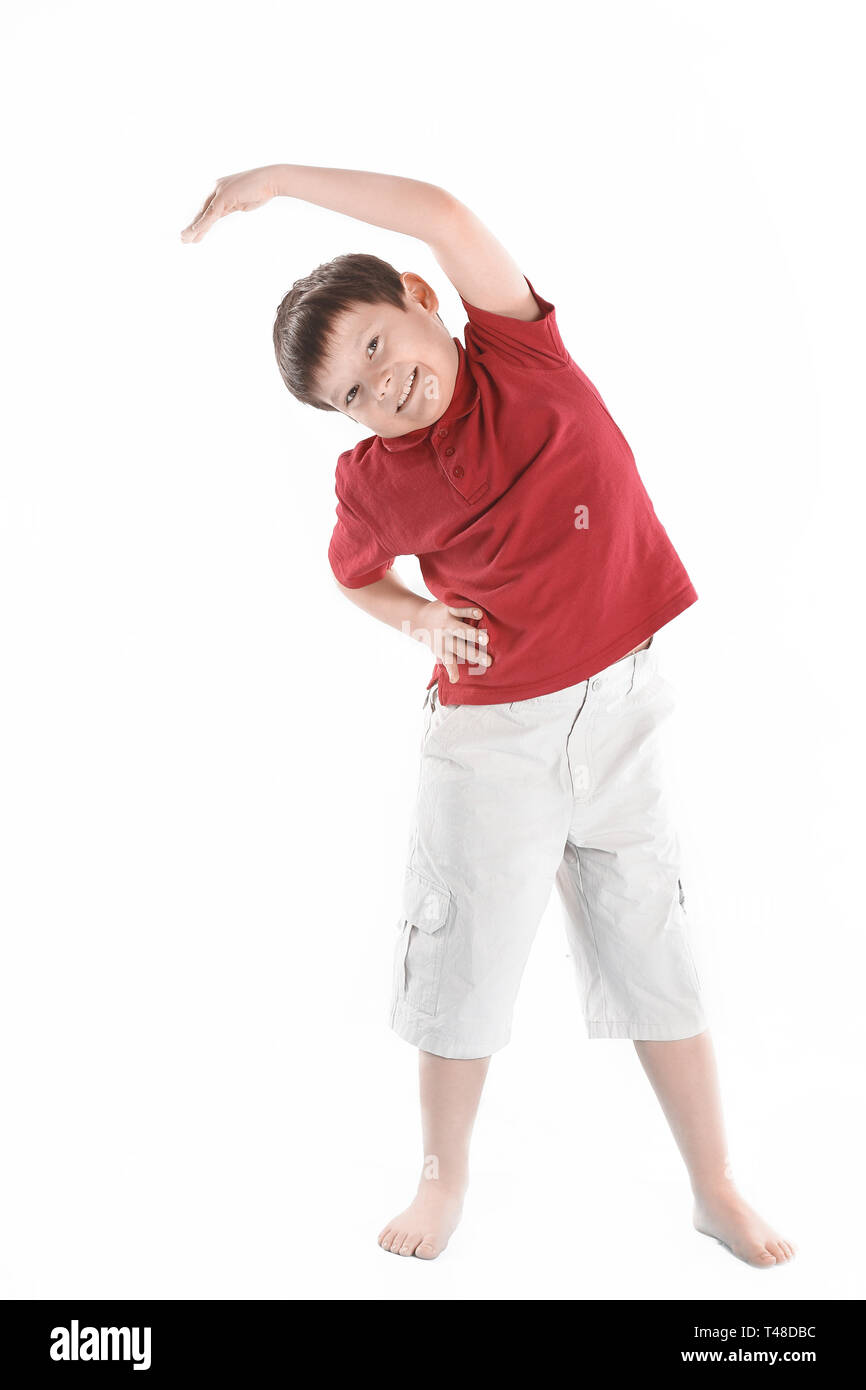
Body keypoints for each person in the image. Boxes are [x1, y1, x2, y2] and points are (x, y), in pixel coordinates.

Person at [181, 164, 795, 1268]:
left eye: (375, 349)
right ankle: (442, 1176)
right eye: (350, 396)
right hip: (490, 741)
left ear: (420, 299)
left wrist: (273, 181)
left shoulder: (519, 349)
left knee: (657, 953)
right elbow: (355, 577)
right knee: (459, 964)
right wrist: (417, 619)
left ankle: (713, 1184)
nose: (383, 390)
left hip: (622, 714)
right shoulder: (374, 482)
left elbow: (442, 213)